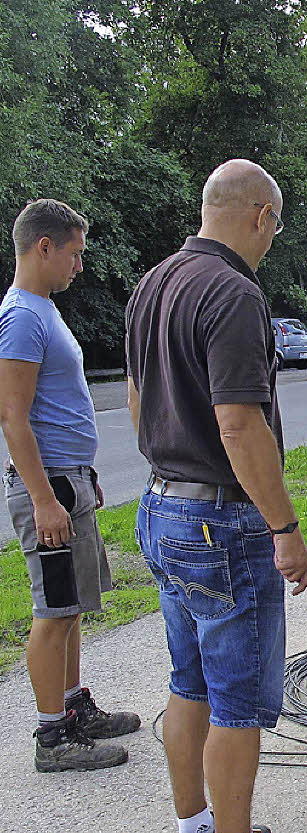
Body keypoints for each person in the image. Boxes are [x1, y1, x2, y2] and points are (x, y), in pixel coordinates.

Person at [125, 159, 307, 833]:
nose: (272, 238)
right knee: (238, 698)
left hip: (161, 506)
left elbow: (138, 399)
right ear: (258, 215)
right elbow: (239, 424)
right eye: (275, 224)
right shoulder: (233, 293)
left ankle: (195, 832)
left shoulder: (153, 282)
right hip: (221, 520)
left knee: (190, 686)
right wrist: (284, 526)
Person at [0, 199, 140, 772]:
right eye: (76, 254)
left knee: (74, 605)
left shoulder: (44, 309)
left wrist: (84, 475)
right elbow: (13, 415)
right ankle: (52, 736)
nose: (80, 267)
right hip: (48, 487)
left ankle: (74, 705)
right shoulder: (21, 316)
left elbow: (58, 407)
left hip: (69, 480)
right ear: (44, 247)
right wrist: (43, 497)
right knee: (53, 610)